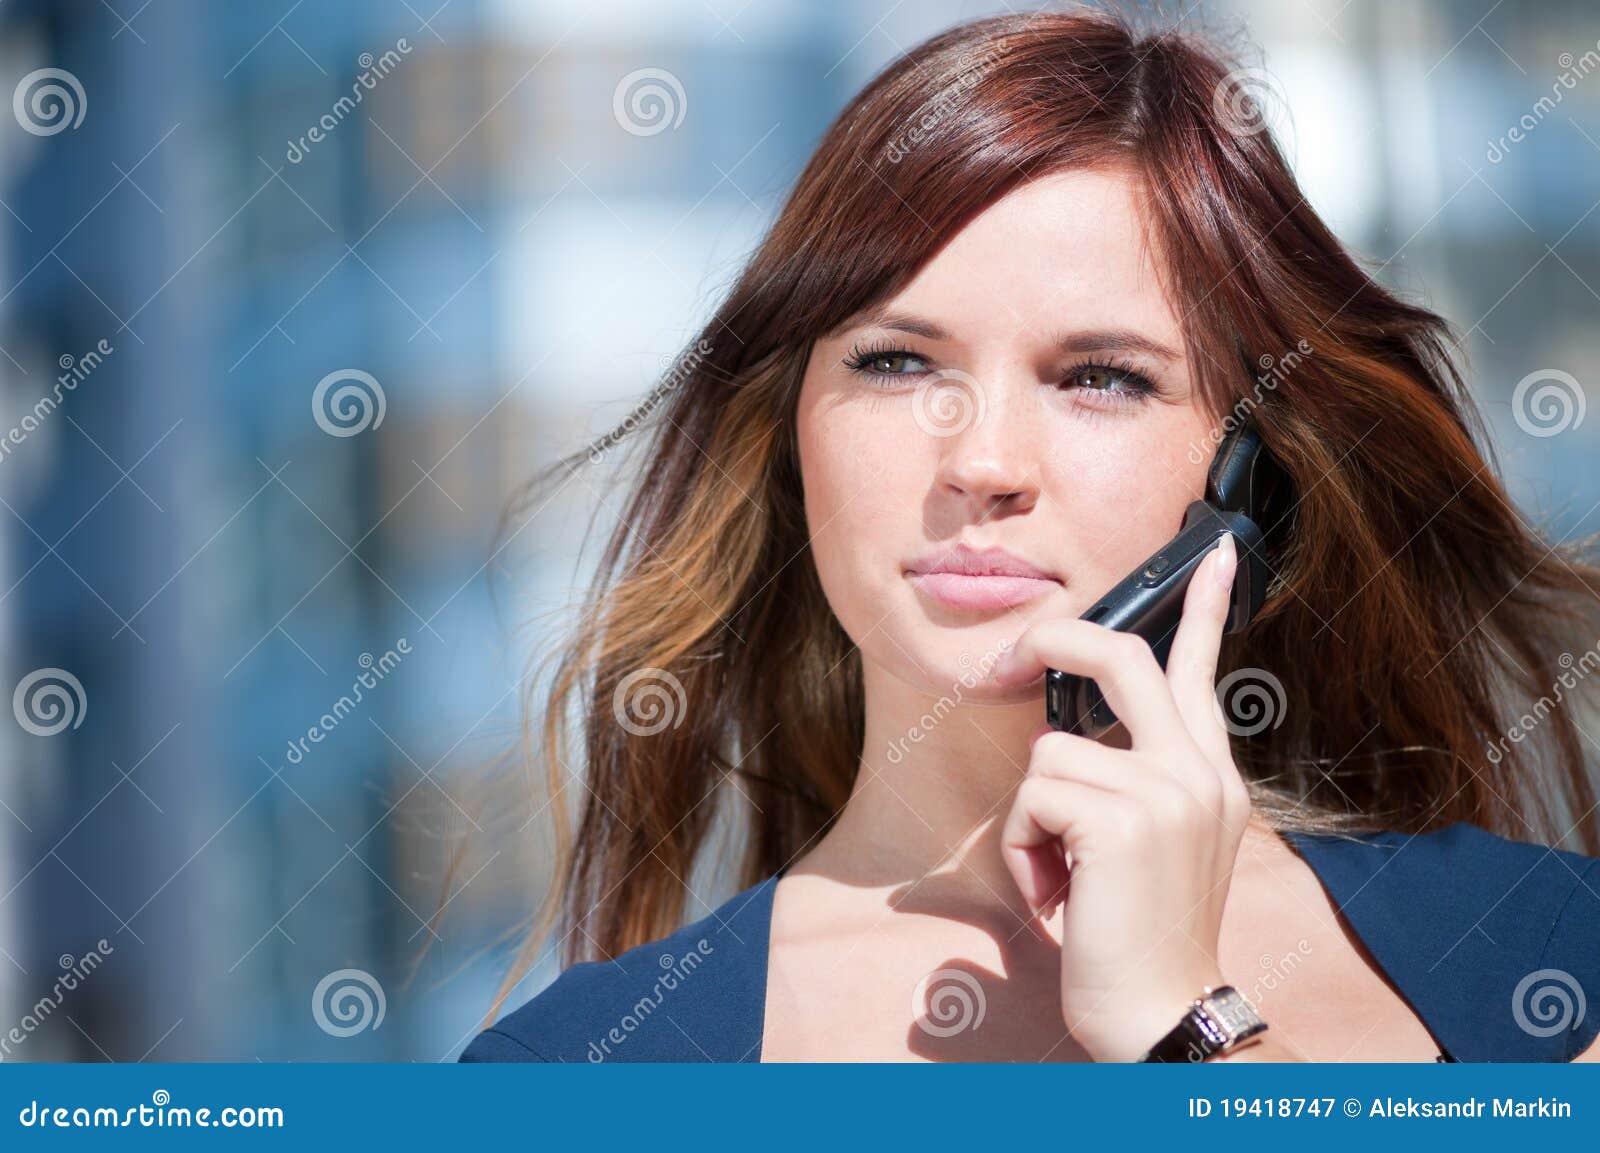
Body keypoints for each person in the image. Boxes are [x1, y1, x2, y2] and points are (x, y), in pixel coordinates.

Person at [460, 6, 1600, 1063]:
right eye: (896, 362)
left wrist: (1185, 1020)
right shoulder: (577, 1069)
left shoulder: (1553, 946)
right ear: (791, 434)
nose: (982, 463)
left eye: (1100, 377)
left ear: (1251, 480)